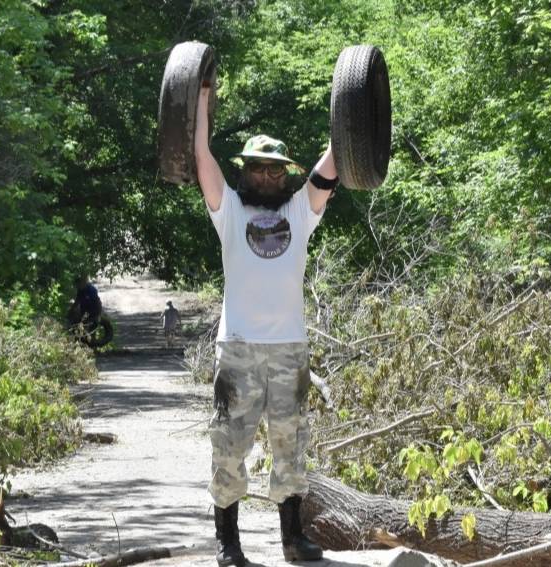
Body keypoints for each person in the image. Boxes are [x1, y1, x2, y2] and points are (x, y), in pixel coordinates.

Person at [193, 81, 337, 566]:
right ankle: (228, 545)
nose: (267, 177)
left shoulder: (301, 212)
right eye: (257, 168)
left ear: (286, 176)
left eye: (276, 170)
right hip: (237, 349)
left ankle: (293, 542)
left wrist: (353, 107)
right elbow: (202, 158)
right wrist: (199, 102)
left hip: (289, 350)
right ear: (246, 173)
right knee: (230, 446)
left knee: (291, 446)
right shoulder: (229, 212)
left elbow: (334, 161)